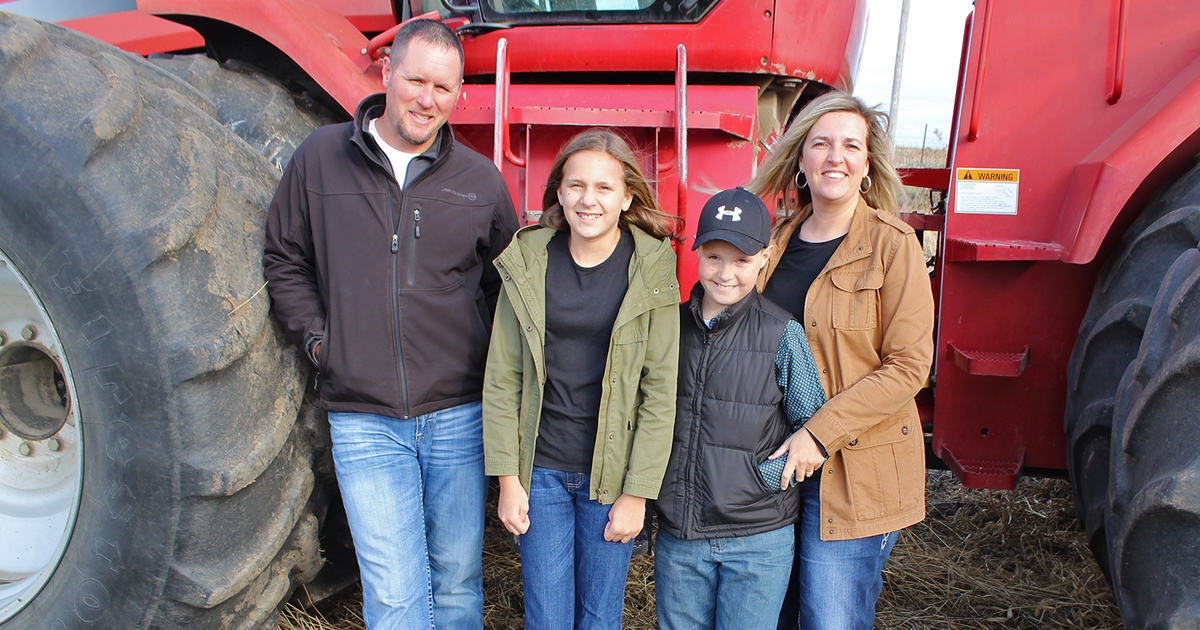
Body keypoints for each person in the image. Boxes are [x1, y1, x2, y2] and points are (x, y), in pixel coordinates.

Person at [262, 18, 518, 630]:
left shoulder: (479, 180)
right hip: (364, 417)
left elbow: (504, 287)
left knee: (456, 583)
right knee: (395, 594)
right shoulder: (320, 159)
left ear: (460, 94)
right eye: (417, 81)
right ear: (387, 74)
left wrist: (481, 367)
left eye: (445, 88)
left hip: (458, 415)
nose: (428, 100)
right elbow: (285, 258)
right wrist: (323, 342)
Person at [747, 91, 935, 630]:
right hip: (775, 468)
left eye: (851, 146)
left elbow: (907, 367)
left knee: (830, 619)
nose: (836, 157)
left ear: (867, 164)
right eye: (821, 144)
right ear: (800, 159)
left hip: (856, 473)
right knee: (771, 617)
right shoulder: (773, 244)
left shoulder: (893, 246)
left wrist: (818, 434)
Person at [482, 128, 680, 630]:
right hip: (542, 471)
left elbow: (659, 393)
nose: (588, 200)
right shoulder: (528, 262)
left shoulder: (652, 267)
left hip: (609, 479)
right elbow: (502, 377)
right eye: (576, 186)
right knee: (546, 617)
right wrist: (508, 480)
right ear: (559, 192)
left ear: (627, 196)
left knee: (599, 617)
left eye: (603, 188)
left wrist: (637, 494)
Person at [652, 188, 827, 630]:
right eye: (713, 257)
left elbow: (815, 425)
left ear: (764, 258)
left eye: (741, 261)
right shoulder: (668, 328)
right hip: (682, 534)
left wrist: (762, 477)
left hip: (758, 540)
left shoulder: (782, 332)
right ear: (696, 253)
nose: (725, 273)